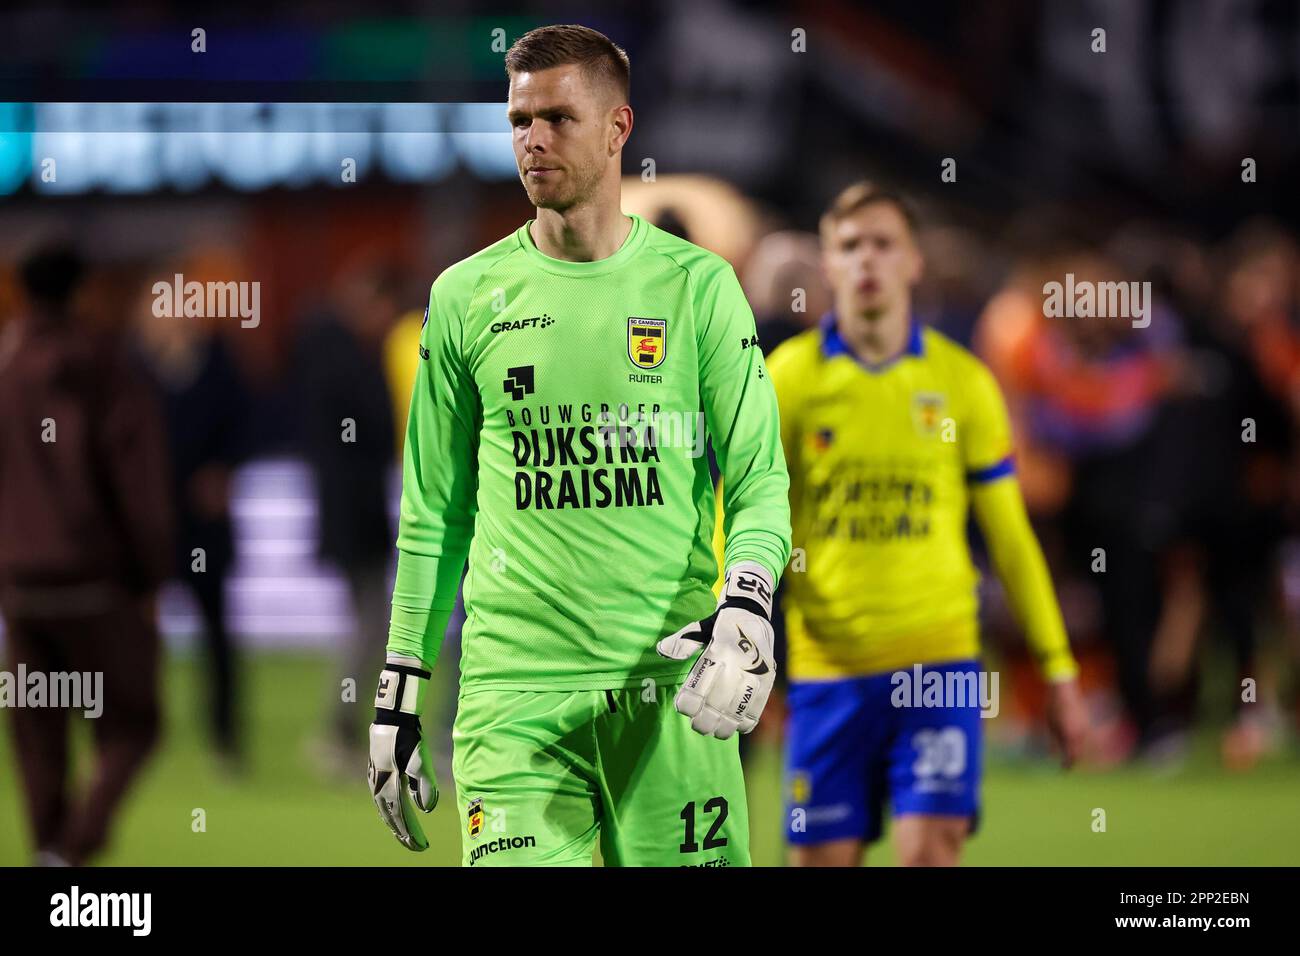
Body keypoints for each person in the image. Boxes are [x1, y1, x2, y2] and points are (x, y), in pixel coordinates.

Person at [366, 23, 791, 867]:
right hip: (510, 698)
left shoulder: (698, 289)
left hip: (669, 686)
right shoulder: (462, 296)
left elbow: (757, 478)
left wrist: (746, 602)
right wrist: (400, 684)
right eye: (519, 119)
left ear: (617, 128)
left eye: (558, 117)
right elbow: (434, 514)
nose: (533, 139)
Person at [766, 183, 1088, 866]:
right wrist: (722, 626)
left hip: (940, 664)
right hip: (827, 667)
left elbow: (1011, 540)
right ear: (828, 266)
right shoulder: (786, 380)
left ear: (914, 262)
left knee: (930, 853)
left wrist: (1058, 669)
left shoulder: (963, 381)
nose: (867, 261)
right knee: (822, 860)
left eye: (884, 244)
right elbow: (738, 518)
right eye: (850, 246)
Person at [0, 244, 172, 865]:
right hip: (98, 580)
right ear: (81, 291)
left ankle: (49, 848)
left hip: (20, 583)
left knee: (37, 731)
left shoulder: (8, 365)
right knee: (133, 724)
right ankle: (71, 851)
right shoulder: (106, 365)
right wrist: (153, 573)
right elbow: (138, 476)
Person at [296, 263, 401, 773]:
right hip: (352, 517)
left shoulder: (336, 352)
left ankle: (341, 731)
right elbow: (361, 441)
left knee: (367, 627)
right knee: (368, 628)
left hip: (352, 516)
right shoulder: (340, 358)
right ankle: (336, 732)